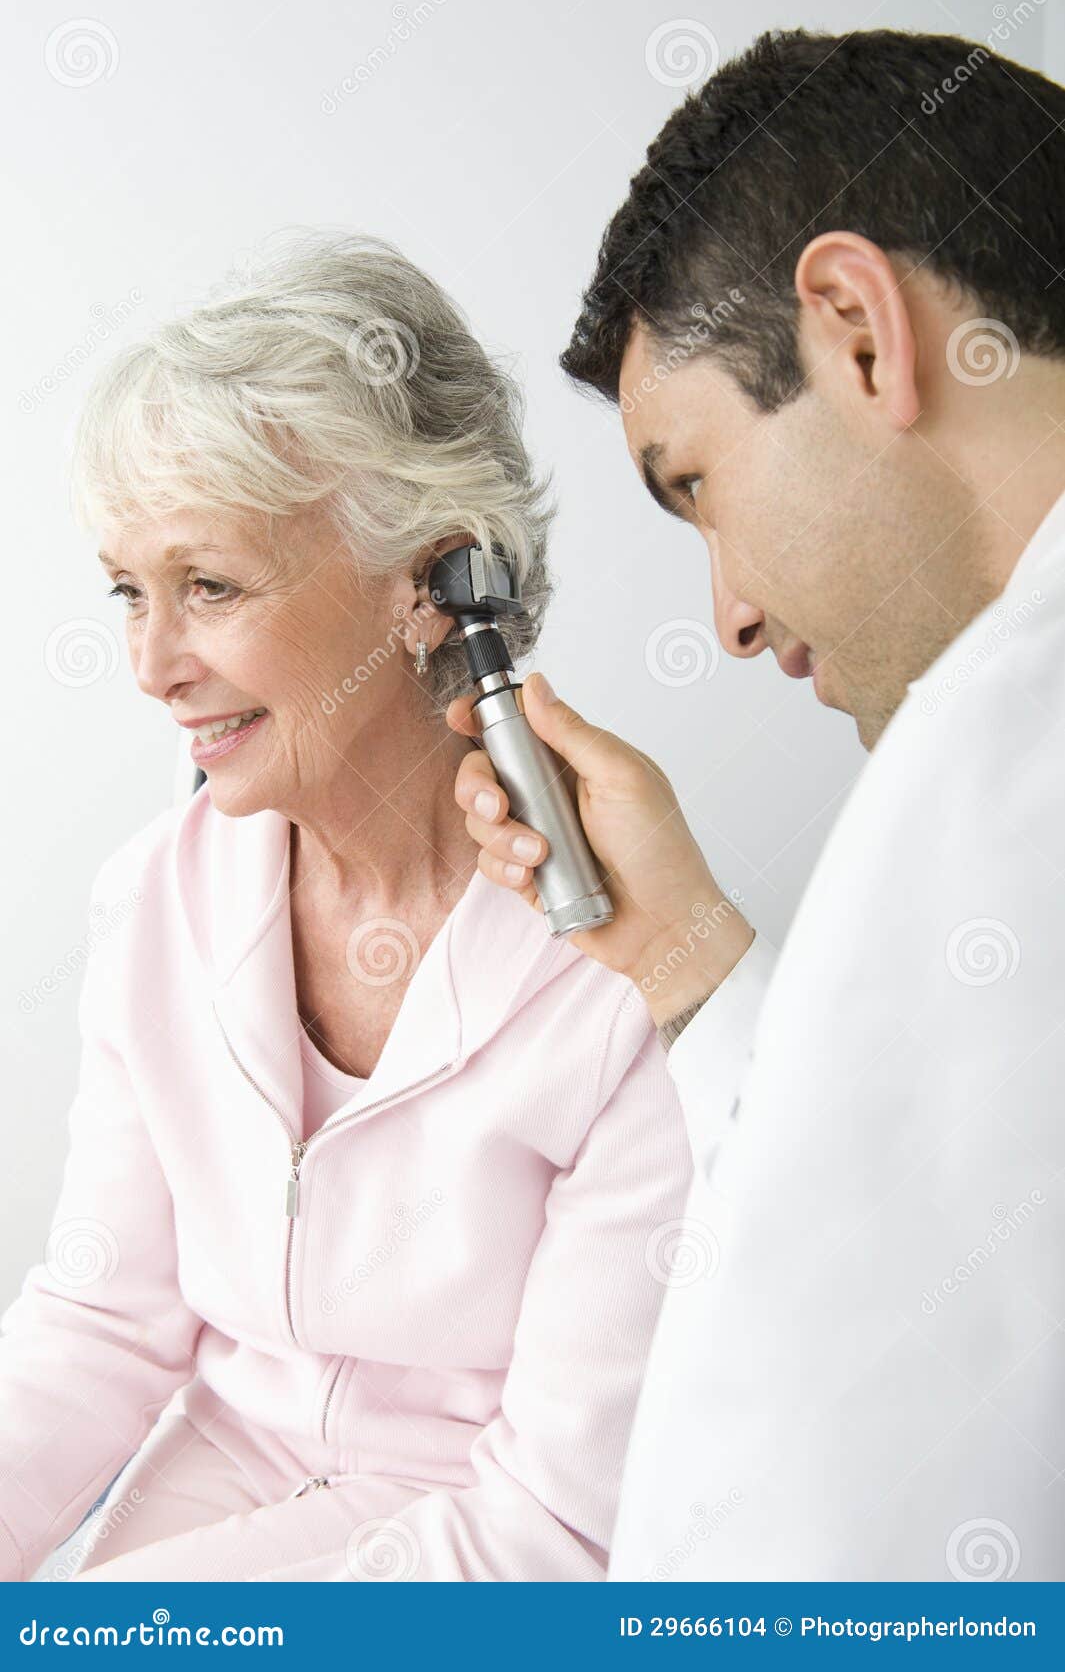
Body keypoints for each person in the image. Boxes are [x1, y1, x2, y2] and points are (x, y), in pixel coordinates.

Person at [449, 28, 1065, 1580]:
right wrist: (685, 966)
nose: (725, 616)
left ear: (859, 333)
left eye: (696, 485)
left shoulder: (993, 754)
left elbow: (825, 1535)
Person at [0, 232, 691, 1582]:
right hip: (212, 1485)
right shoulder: (156, 896)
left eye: (210, 586)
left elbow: (547, 1529)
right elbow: (102, 1321)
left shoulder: (627, 957)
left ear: (432, 589)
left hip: (466, 1555)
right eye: (128, 593)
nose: (151, 663)